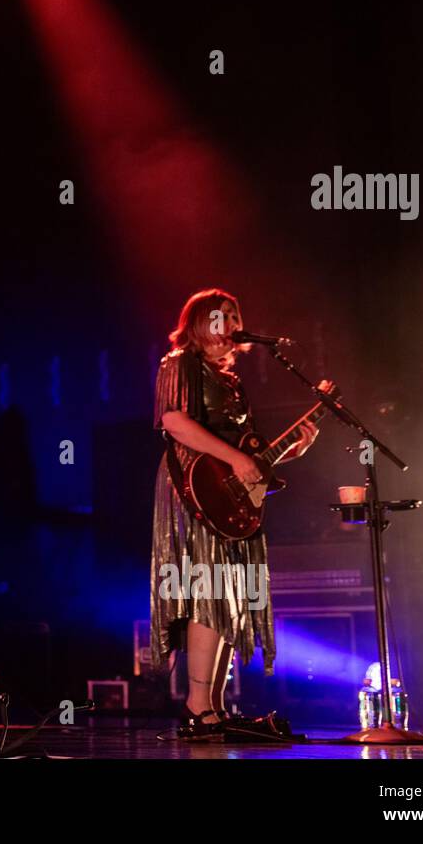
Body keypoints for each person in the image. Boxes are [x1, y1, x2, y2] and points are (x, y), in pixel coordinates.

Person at [149, 288, 319, 738]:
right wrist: (239, 460)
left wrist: (292, 449)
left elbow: (246, 460)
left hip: (227, 493)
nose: (229, 322)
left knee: (226, 593)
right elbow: (175, 422)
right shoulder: (179, 362)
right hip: (193, 486)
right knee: (207, 588)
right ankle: (197, 703)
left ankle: (213, 705)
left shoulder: (231, 381)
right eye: (219, 315)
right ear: (198, 323)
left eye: (234, 315)